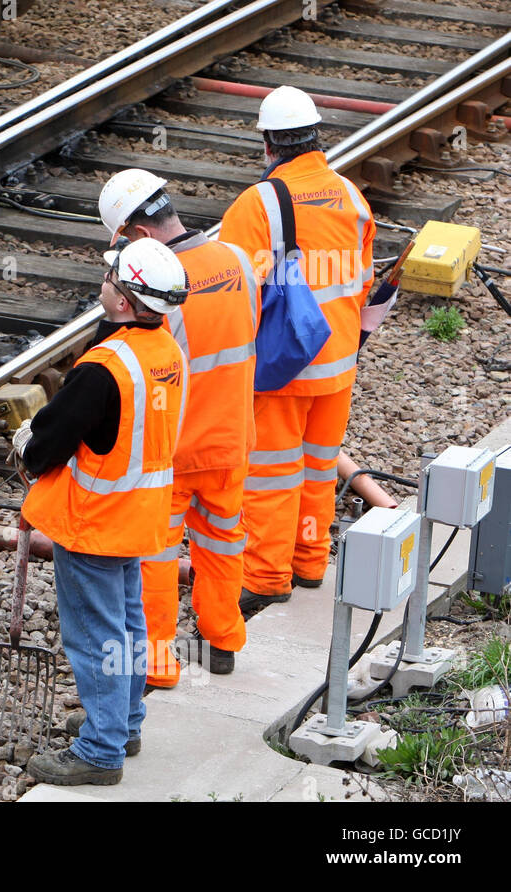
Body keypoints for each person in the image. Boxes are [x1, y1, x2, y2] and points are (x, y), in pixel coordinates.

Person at [15, 238, 188, 786]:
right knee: (128, 625)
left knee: (95, 634)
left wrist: (27, 442)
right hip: (140, 516)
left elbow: (48, 446)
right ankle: (124, 721)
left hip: (94, 521)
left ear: (124, 299)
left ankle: (101, 748)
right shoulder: (166, 351)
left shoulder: (104, 369)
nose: (105, 280)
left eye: (112, 276)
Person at [98, 169, 259, 684]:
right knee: (223, 540)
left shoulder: (158, 289)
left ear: (141, 236)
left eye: (123, 244)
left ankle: (158, 663)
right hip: (233, 437)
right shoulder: (235, 258)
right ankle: (223, 640)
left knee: (158, 554)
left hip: (173, 450)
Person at [219, 86, 375, 612]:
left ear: (268, 144)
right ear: (315, 139)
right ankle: (310, 563)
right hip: (338, 364)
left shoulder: (257, 204)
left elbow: (238, 295)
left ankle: (266, 578)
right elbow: (363, 281)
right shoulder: (351, 197)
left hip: (284, 367)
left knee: (273, 475)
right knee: (318, 466)